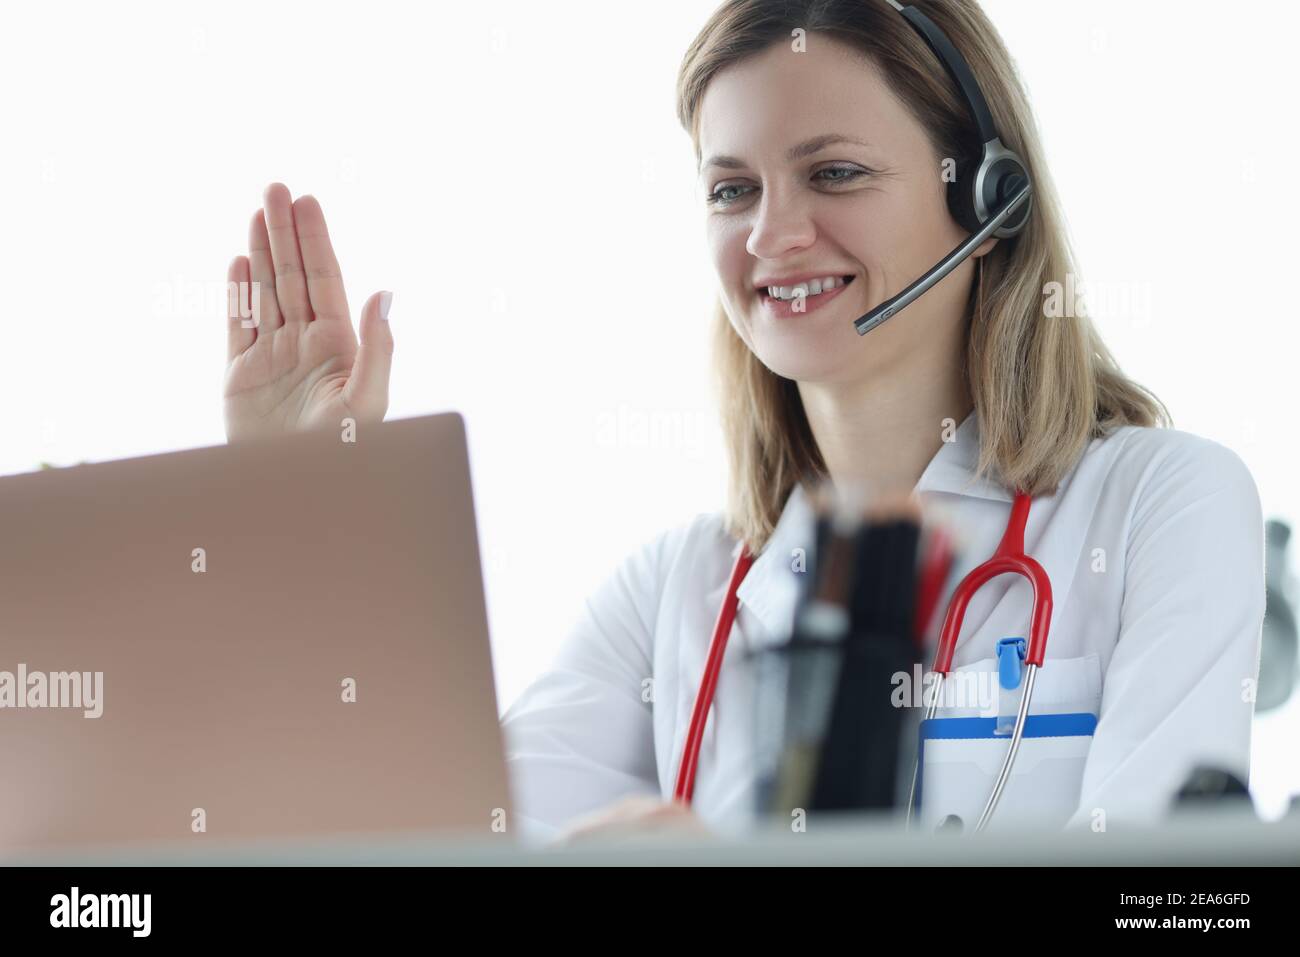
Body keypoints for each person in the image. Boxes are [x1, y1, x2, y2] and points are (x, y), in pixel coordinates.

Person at [222, 0, 1264, 845]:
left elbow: (1163, 905)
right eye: (731, 189)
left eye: (834, 173)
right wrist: (302, 512)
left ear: (988, 207)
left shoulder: (1157, 504)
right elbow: (419, 842)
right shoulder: (677, 589)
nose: (772, 234)